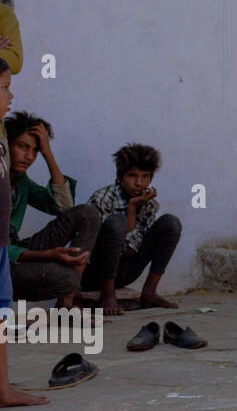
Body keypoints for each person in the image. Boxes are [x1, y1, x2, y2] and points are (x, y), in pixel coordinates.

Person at [5, 112, 98, 309]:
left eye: (35, 150)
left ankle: (66, 304)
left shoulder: (21, 182)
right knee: (66, 278)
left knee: (87, 214)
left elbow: (62, 207)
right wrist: (48, 255)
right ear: (6, 145)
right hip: (3, 263)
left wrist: (48, 154)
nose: (29, 156)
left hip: (16, 252)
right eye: (23, 147)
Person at [84, 144, 182, 315]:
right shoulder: (102, 199)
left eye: (145, 176)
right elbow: (99, 248)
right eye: (132, 176)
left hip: (125, 271)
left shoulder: (149, 205)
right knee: (116, 224)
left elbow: (130, 250)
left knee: (171, 224)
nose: (139, 183)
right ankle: (107, 296)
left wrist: (132, 207)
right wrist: (131, 209)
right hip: (95, 273)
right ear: (120, 177)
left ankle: (149, 293)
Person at [0, 62, 48, 406]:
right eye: (4, 87)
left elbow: (62, 203)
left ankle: (3, 389)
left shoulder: (0, 138)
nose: (10, 94)